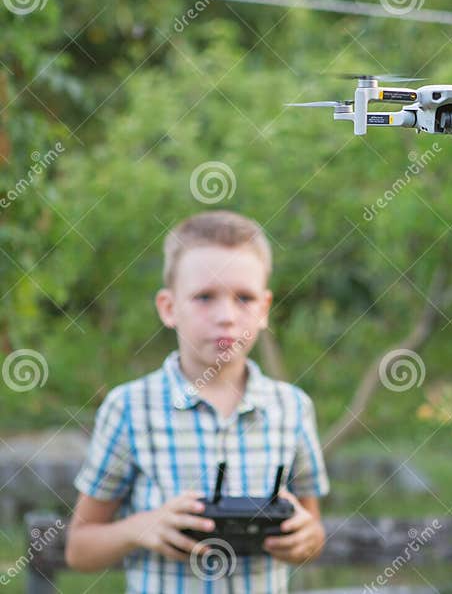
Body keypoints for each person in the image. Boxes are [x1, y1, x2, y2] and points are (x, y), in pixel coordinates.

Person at [65, 210, 330, 593]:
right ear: (168, 307)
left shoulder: (292, 407)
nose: (226, 316)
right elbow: (79, 549)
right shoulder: (130, 409)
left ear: (264, 309)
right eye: (205, 297)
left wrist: (305, 538)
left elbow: (313, 531)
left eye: (244, 298)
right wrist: (140, 527)